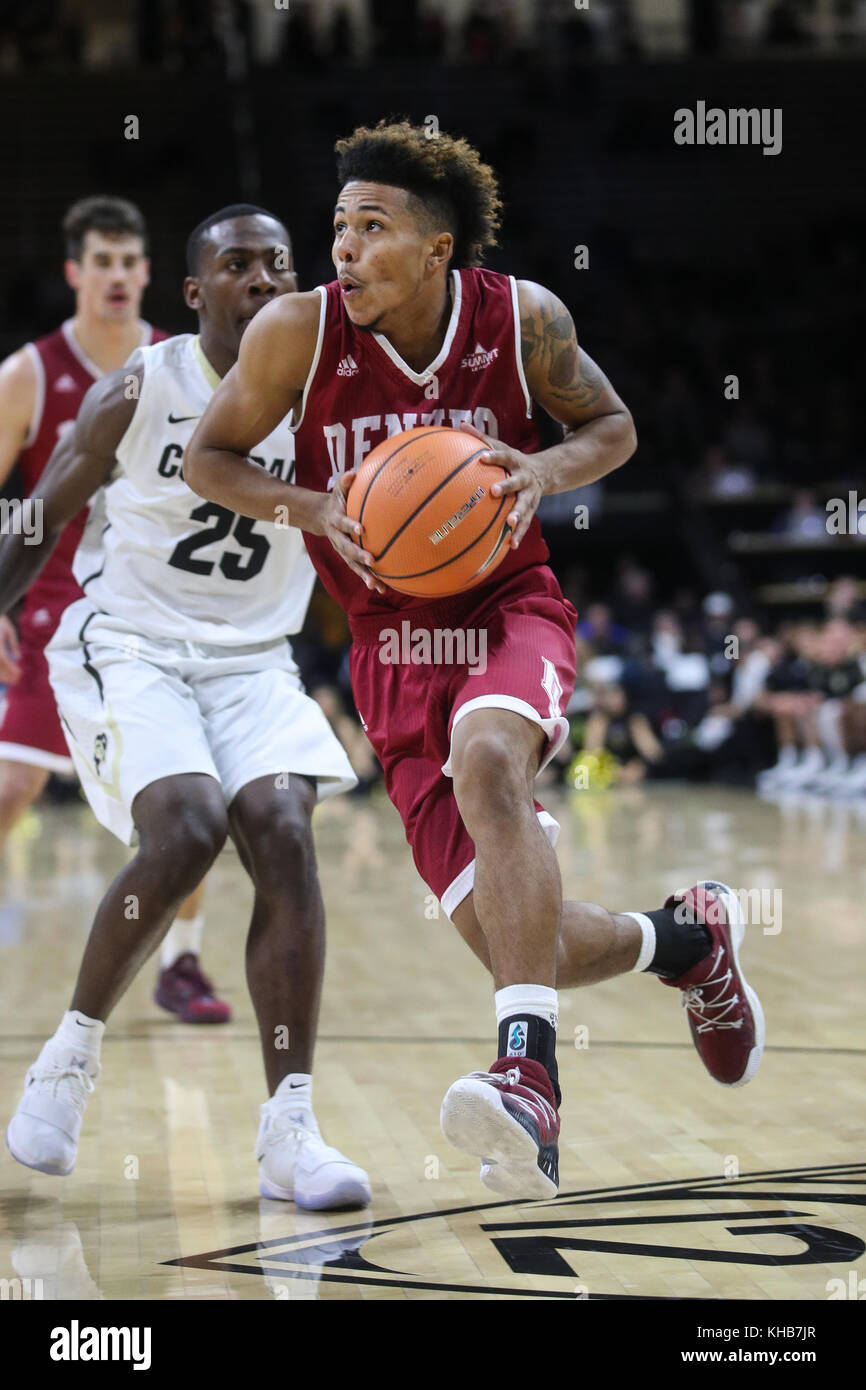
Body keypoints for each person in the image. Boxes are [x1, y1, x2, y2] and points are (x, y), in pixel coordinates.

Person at [185, 123, 765, 1201]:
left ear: (438, 246)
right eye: (337, 229)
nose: (343, 250)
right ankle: (684, 941)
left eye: (372, 228)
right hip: (390, 649)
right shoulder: (292, 336)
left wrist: (540, 468)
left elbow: (613, 426)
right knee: (516, 937)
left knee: (489, 760)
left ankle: (529, 1081)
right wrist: (310, 504)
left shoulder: (522, 318)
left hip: (508, 608)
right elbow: (208, 458)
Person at [3, 205, 370, 1209]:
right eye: (235, 265)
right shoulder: (142, 386)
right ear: (195, 292)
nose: (260, 280)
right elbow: (45, 509)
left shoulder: (331, 397)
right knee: (190, 827)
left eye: (277, 265)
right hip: (131, 643)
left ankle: (289, 1129)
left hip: (253, 658)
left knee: (284, 832)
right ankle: (69, 1058)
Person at [0, 195, 227, 1023]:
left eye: (132, 262)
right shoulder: (29, 373)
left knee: (190, 797)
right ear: (75, 273)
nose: (120, 276)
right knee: (13, 785)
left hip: (154, 604)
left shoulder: (182, 361)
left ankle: (182, 962)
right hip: (52, 604)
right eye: (103, 262)